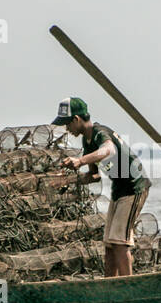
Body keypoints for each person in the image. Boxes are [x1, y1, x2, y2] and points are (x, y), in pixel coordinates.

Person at [52, 97, 150, 277]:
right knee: (110, 245)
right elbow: (94, 176)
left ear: (77, 119)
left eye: (67, 124)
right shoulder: (86, 142)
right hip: (119, 190)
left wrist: (80, 160)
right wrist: (67, 181)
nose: (67, 129)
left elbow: (109, 150)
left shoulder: (99, 132)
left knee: (121, 243)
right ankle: (109, 285)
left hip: (134, 188)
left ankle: (128, 287)